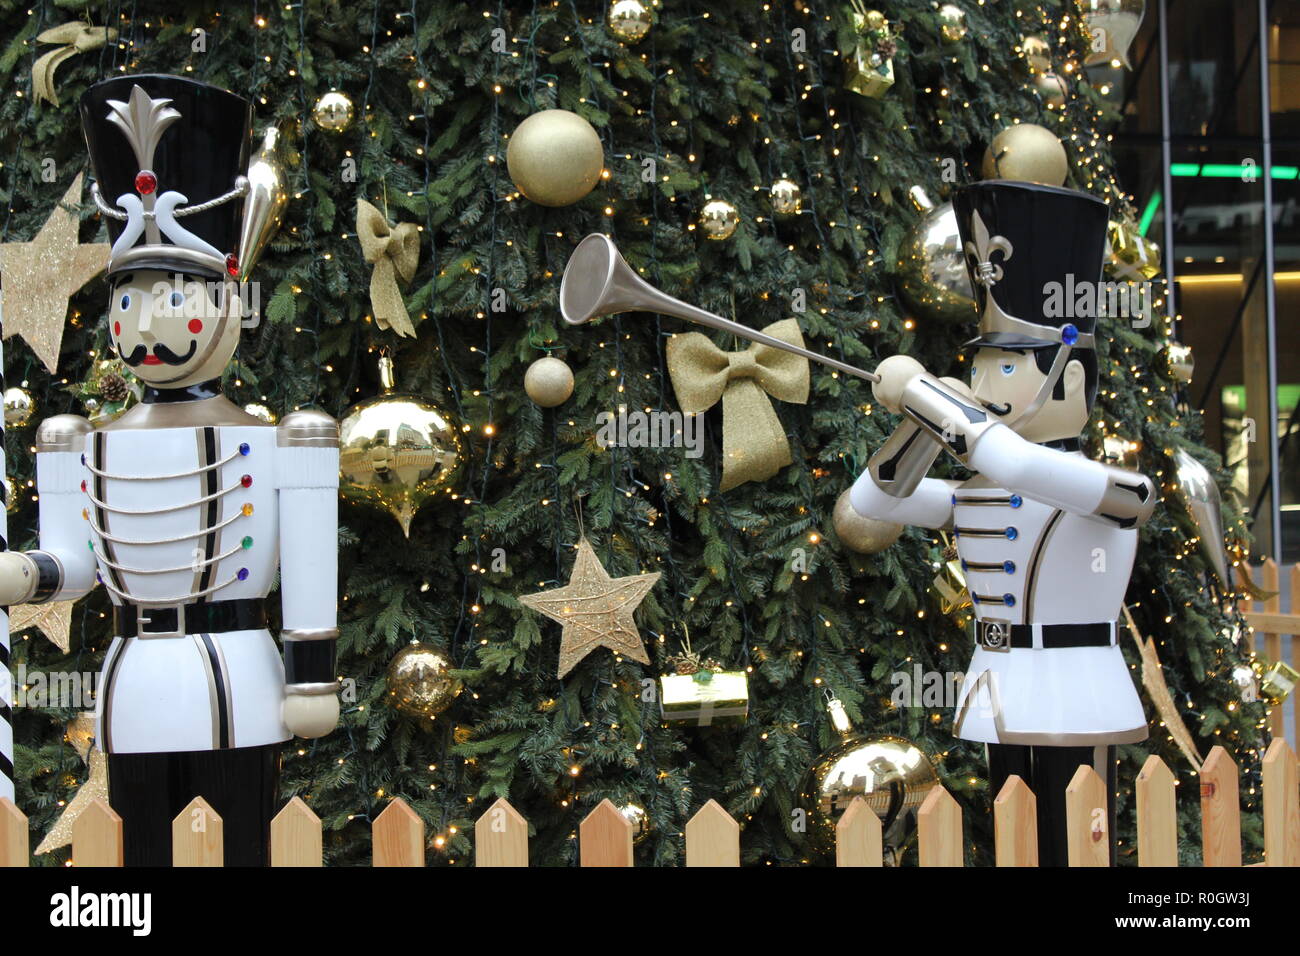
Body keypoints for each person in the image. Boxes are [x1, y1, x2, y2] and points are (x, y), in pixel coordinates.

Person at [851, 179, 1155, 865]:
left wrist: (940, 402)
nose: (986, 388)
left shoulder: (1117, 485)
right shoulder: (980, 482)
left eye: (1007, 366)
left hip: (1079, 683)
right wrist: (919, 426)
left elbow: (1018, 465)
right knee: (1016, 833)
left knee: (1075, 842)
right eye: (980, 367)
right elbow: (872, 506)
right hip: (999, 679)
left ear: (1069, 383)